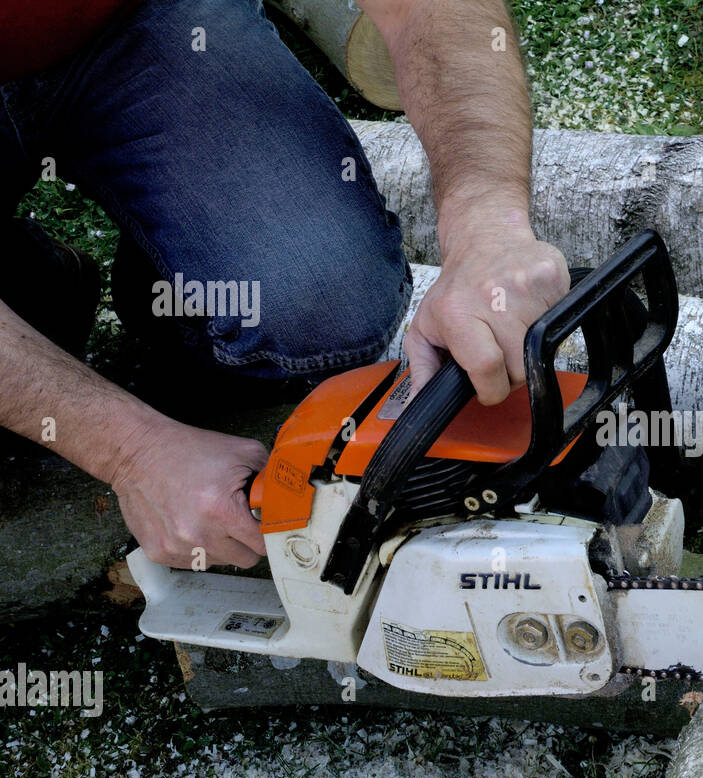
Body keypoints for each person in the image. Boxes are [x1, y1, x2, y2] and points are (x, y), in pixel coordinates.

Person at [0, 0, 569, 570]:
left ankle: (160, 288)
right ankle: (31, 285)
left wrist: (487, 226)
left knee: (319, 301)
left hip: (127, 23)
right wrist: (131, 453)